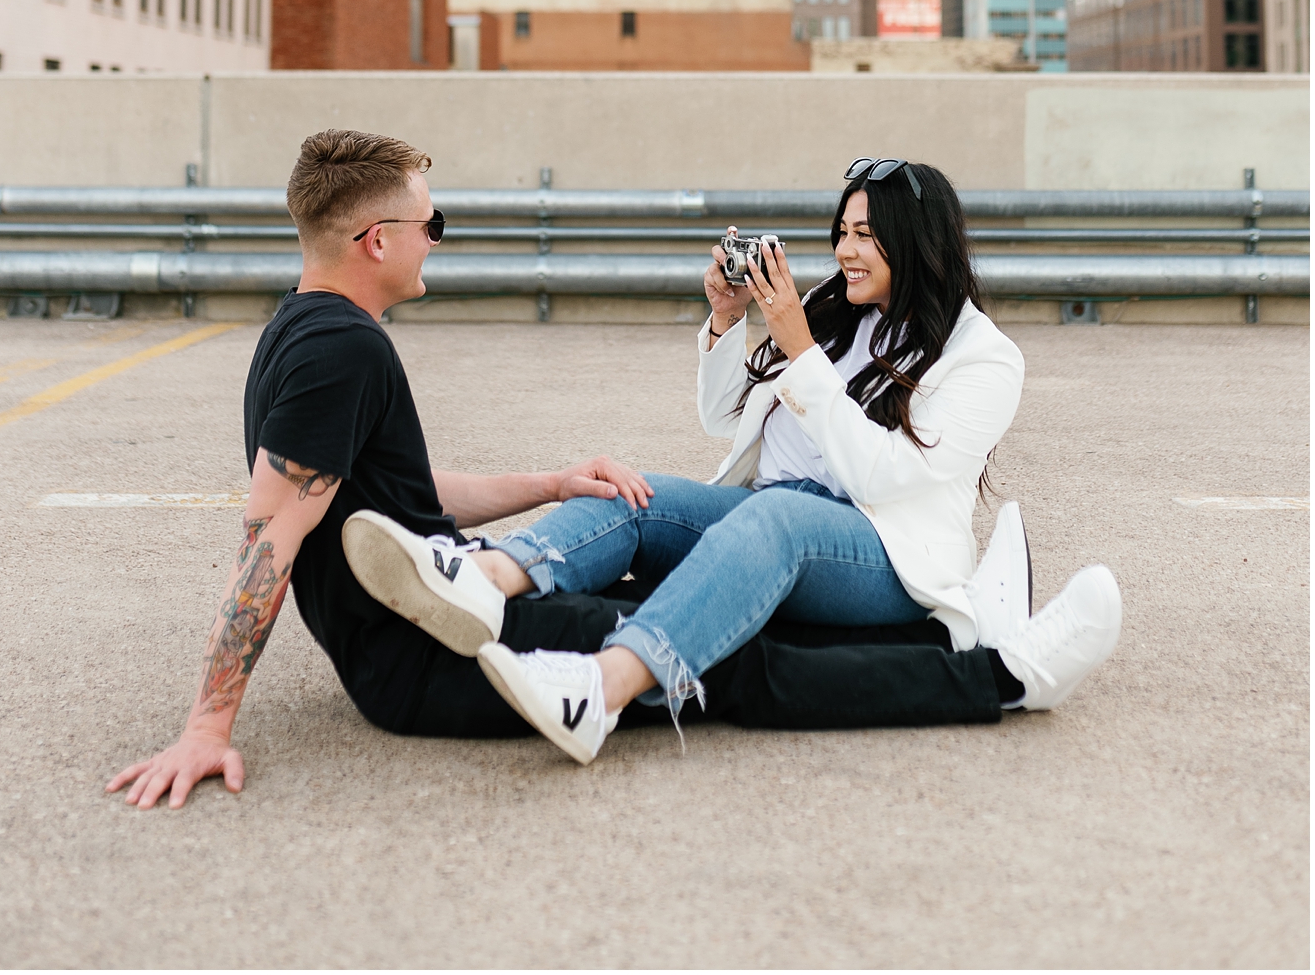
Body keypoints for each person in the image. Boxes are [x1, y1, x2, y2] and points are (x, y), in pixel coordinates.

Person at [108, 133, 1037, 811]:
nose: (440, 236)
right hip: (422, 660)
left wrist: (555, 483)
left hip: (866, 544)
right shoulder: (340, 355)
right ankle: (980, 671)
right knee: (728, 644)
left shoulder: (306, 332)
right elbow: (270, 538)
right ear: (376, 241)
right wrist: (206, 726)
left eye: (864, 234)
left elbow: (402, 494)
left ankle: (501, 592)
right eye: (435, 222)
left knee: (674, 546)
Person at [347, 156, 1123, 766]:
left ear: (915, 242)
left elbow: (884, 477)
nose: (844, 251)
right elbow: (724, 416)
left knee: (779, 516)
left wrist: (800, 347)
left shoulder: (985, 359)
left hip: (885, 555)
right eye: (841, 232)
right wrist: (727, 322)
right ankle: (485, 582)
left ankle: (599, 690)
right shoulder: (836, 314)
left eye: (864, 234)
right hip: (774, 518)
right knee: (629, 491)